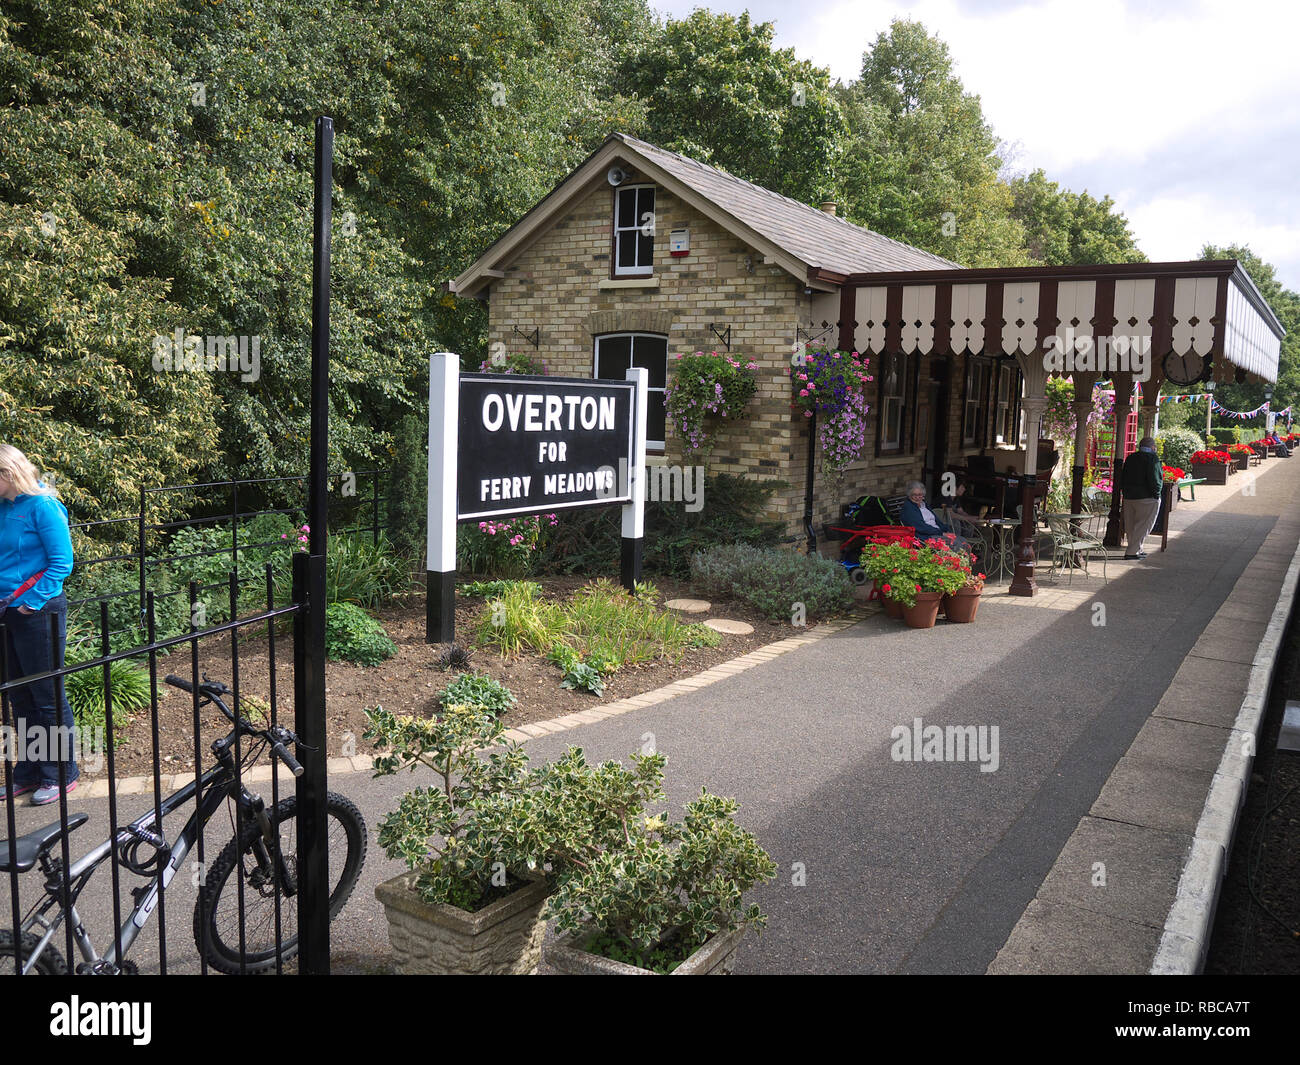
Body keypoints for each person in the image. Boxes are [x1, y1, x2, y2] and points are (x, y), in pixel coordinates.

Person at [0, 444, 77, 804]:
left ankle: (60, 773)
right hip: (5, 613)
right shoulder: (3, 508)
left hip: (38, 611)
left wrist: (29, 605)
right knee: (20, 695)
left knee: (46, 696)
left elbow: (62, 562)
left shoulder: (43, 505)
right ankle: (29, 772)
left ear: (8, 472)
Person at [1119, 436, 1164, 561]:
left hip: (1129, 496)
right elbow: (1155, 479)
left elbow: (1123, 476)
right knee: (1144, 525)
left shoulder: (1130, 457)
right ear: (1153, 447)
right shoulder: (1152, 458)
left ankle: (1137, 549)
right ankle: (1132, 552)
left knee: (1131, 525)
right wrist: (1157, 494)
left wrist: (1124, 491)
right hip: (1146, 497)